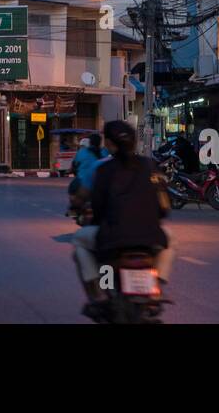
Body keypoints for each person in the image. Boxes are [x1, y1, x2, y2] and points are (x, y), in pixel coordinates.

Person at [71, 120, 177, 318]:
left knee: (79, 241)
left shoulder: (103, 170)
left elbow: (98, 207)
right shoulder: (150, 166)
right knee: (170, 242)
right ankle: (158, 286)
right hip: (151, 236)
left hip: (114, 236)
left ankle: (99, 293)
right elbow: (164, 207)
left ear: (110, 144)